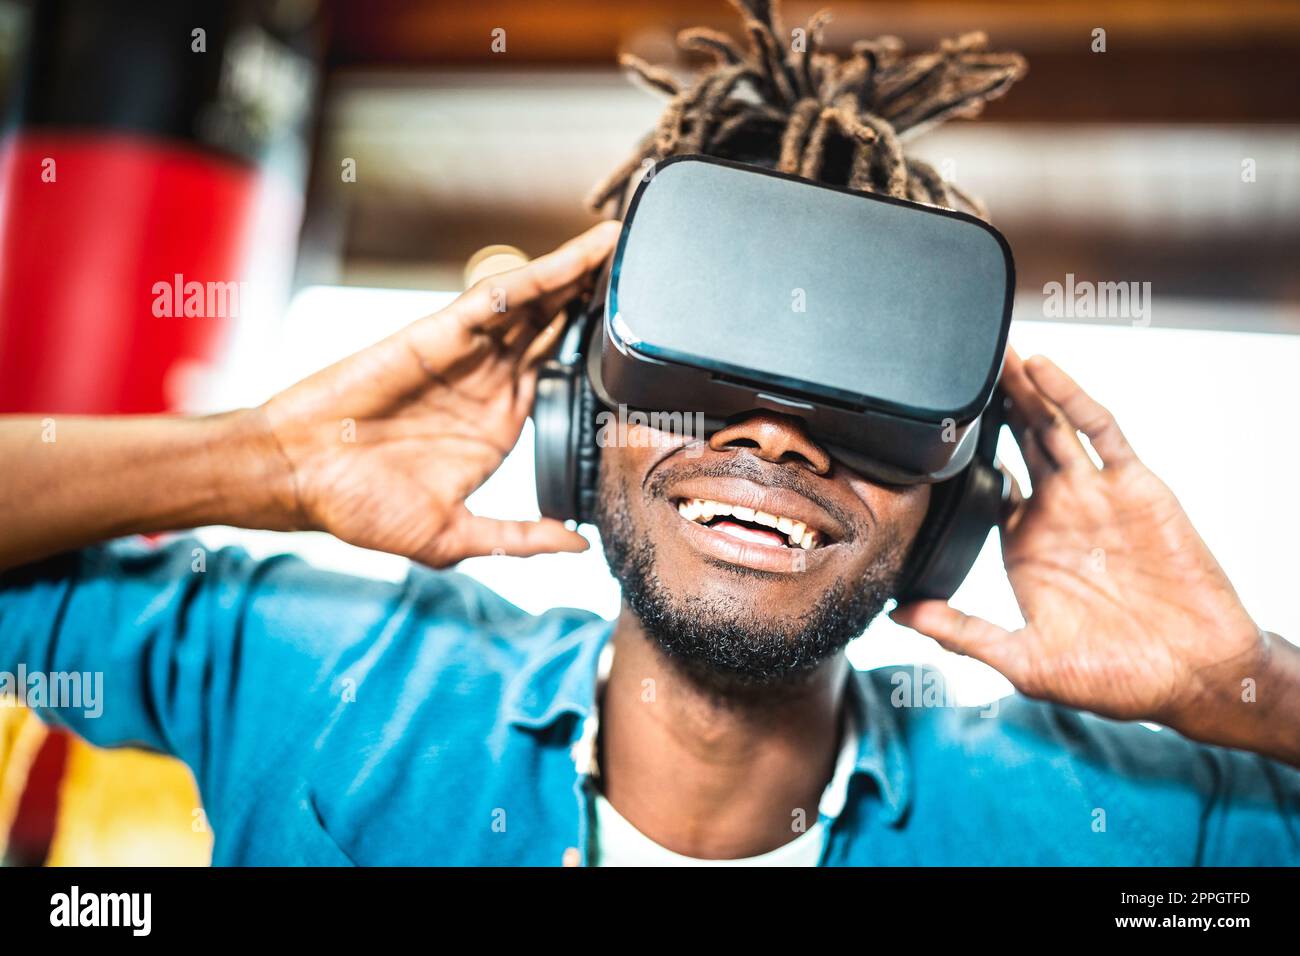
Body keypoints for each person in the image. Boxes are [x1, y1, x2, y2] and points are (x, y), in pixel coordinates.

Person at [1, 1, 1297, 866]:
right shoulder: (321, 674)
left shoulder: (1122, 826)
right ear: (580, 415)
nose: (781, 443)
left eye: (860, 406)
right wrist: (265, 463)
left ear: (957, 510)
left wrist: (1243, 686)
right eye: (714, 365)